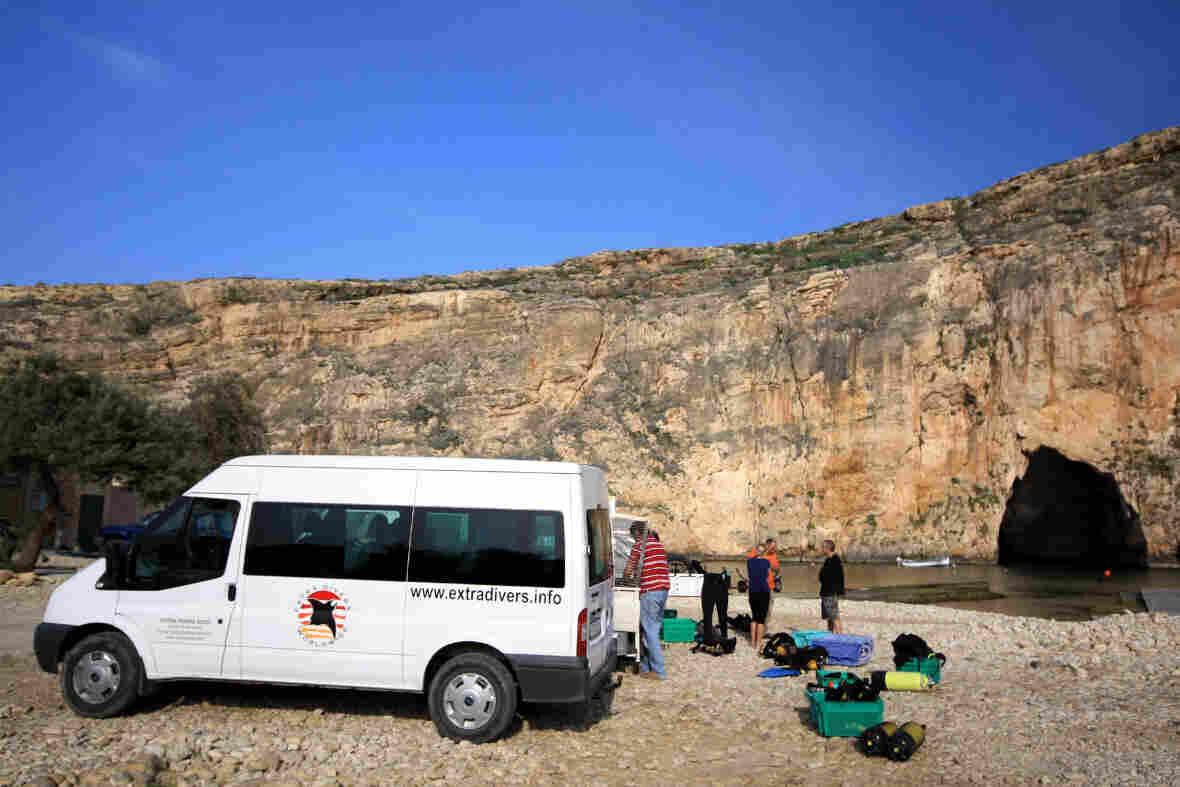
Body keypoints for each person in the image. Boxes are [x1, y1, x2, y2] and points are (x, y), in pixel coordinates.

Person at [623, 522, 671, 679]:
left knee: (649, 631)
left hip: (650, 591)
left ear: (637, 533)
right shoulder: (658, 545)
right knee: (651, 630)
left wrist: (625, 579)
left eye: (633, 536)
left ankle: (659, 671)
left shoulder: (639, 546)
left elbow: (629, 568)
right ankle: (645, 668)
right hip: (663, 591)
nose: (633, 539)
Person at [746, 544, 772, 654]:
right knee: (761, 618)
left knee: (754, 617)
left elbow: (751, 575)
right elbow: (767, 575)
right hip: (763, 591)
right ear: (764, 552)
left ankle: (752, 642)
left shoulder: (749, 561)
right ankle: (759, 641)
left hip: (753, 591)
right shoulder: (766, 562)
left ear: (756, 551)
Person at [819, 539, 845, 633]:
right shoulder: (830, 559)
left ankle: (840, 637)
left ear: (827, 548)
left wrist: (838, 591)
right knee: (829, 617)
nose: (821, 549)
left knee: (834, 617)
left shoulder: (834, 560)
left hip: (830, 592)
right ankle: (831, 635)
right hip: (827, 592)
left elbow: (834, 578)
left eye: (823, 547)